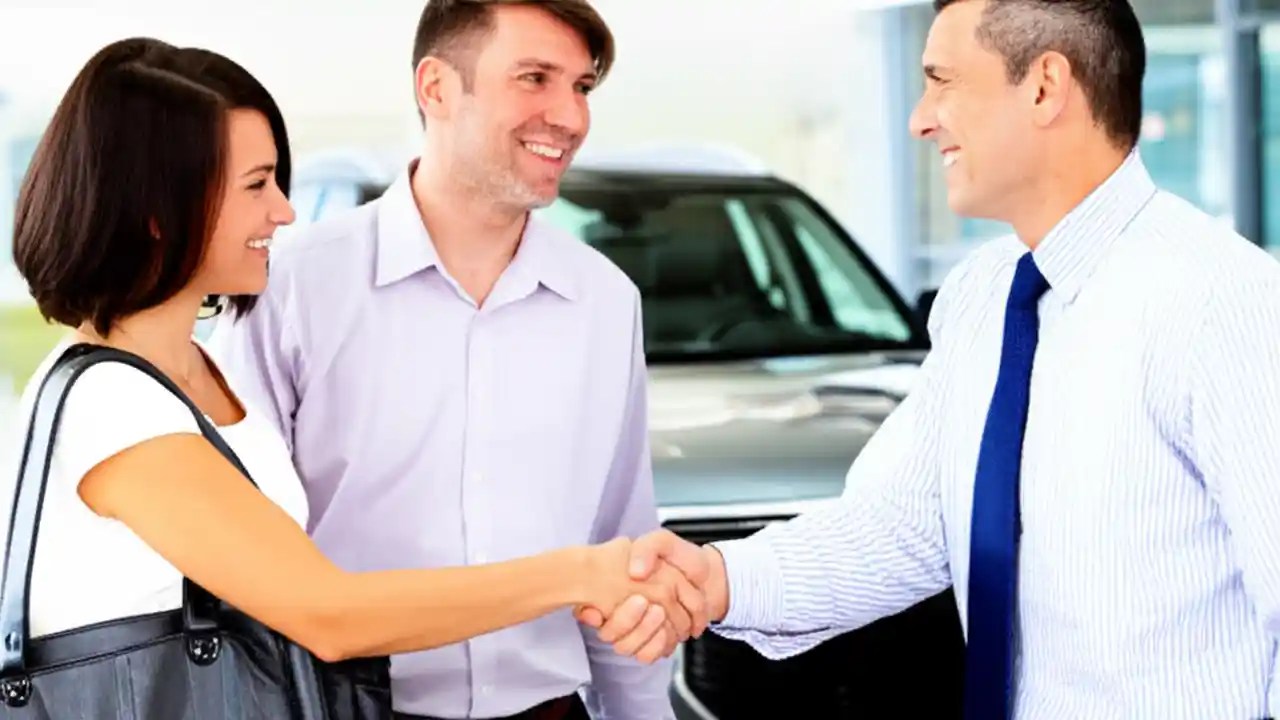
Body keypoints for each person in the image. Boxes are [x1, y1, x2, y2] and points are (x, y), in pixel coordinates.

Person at [583, 1, 1280, 718]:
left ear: (1044, 87)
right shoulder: (983, 296)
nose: (920, 119)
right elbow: (901, 525)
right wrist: (715, 577)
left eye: (943, 81)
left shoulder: (1225, 304)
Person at [4, 36, 700, 696]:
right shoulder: (113, 411)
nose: (281, 210)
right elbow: (329, 615)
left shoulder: (192, 369)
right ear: (158, 210)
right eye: (256, 185)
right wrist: (577, 573)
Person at [206, 2, 698, 719]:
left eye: (583, 87)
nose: (570, 116)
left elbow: (621, 546)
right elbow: (232, 555)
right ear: (435, 88)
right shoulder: (292, 286)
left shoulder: (605, 301)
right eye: (535, 78)